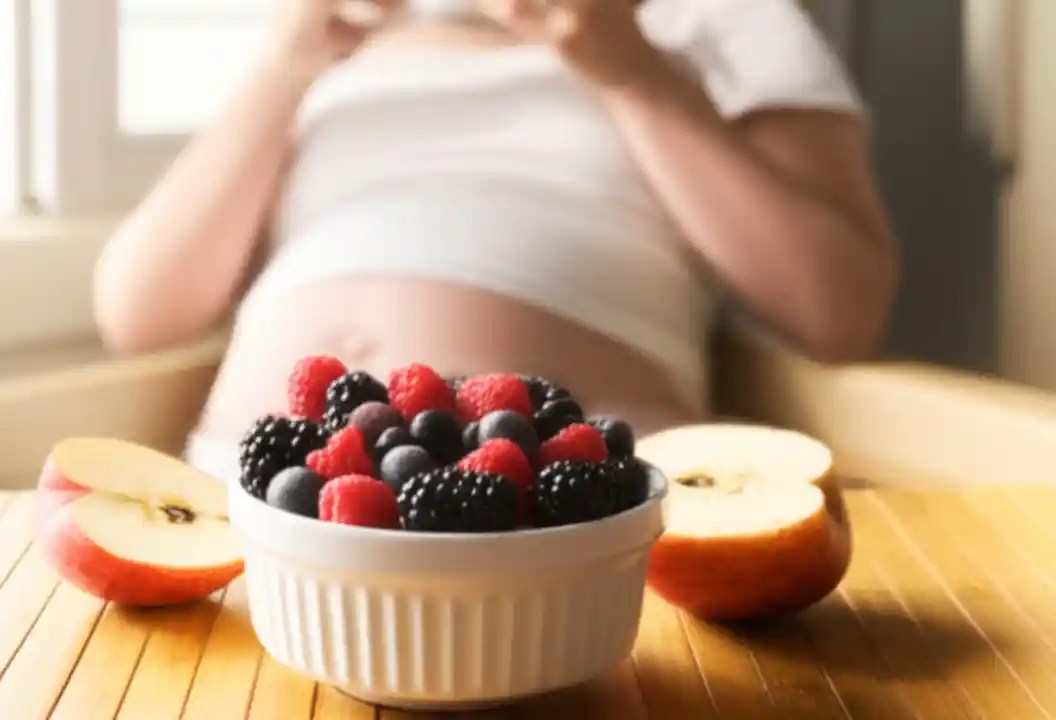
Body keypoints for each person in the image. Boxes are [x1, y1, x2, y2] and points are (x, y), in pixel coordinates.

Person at [93, 0, 898, 474]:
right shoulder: (327, 31)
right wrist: (288, 60)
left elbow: (839, 308)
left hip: (561, 525)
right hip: (264, 516)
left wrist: (634, 74)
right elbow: (137, 311)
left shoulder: (722, 19)